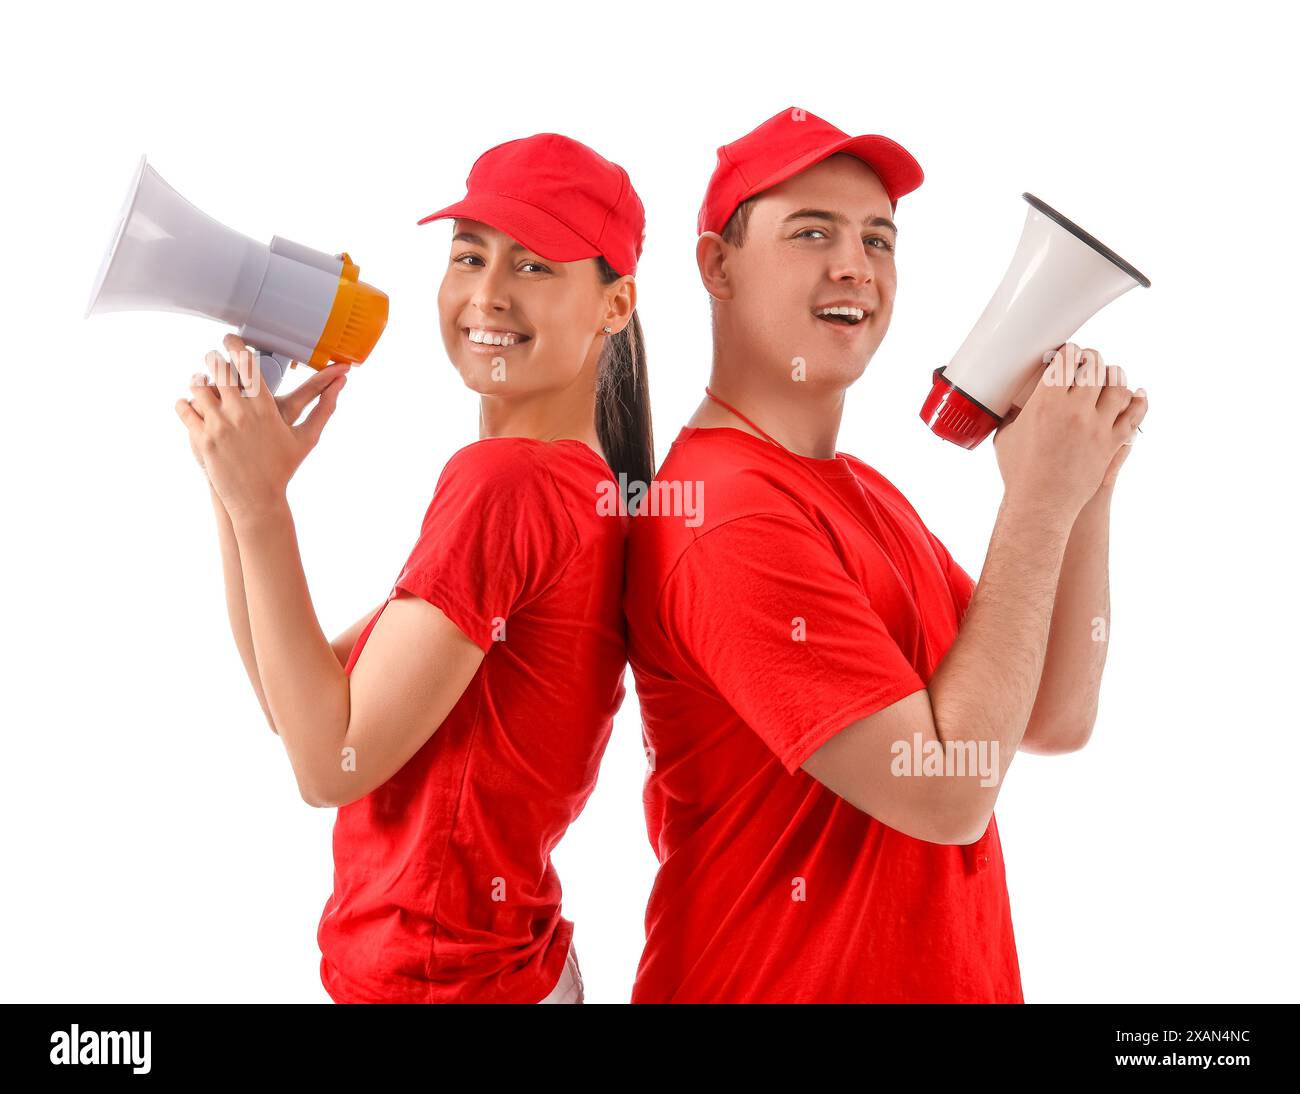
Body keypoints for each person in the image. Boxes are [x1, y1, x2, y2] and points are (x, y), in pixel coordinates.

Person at [622, 106, 1149, 1003]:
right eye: (811, 232)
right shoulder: (725, 515)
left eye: (879, 238)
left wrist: (1082, 481)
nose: (854, 266)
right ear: (717, 265)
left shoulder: (857, 490)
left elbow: (1052, 715)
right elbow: (948, 793)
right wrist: (1035, 499)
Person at [175, 132, 651, 1003]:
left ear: (614, 305)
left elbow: (331, 766)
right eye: (469, 253)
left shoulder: (505, 485)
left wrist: (262, 509)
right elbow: (299, 707)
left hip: (447, 983)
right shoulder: (583, 485)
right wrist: (236, 488)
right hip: (497, 971)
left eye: (536, 265)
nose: (487, 294)